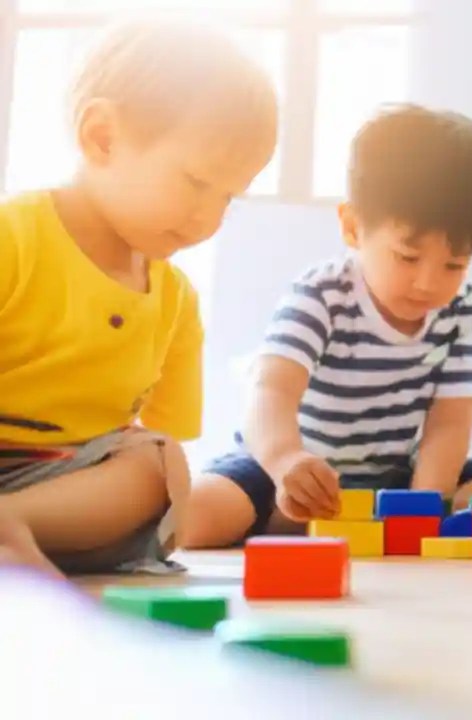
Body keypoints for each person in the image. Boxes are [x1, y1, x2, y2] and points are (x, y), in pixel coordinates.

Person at [180, 105, 472, 547]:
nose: (429, 283)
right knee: (196, 515)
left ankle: (384, 523)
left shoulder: (462, 309)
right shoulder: (323, 294)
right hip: (287, 470)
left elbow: (449, 422)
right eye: (407, 257)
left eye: (455, 264)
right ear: (354, 228)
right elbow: (272, 390)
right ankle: (292, 515)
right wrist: (285, 460)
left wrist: (425, 505)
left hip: (388, 482)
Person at [0, 21, 277, 573]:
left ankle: (13, 526)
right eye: (198, 183)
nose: (211, 219)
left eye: (230, 198)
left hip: (59, 488)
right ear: (102, 137)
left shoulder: (174, 299)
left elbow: (165, 441)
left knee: (160, 467)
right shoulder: (15, 240)